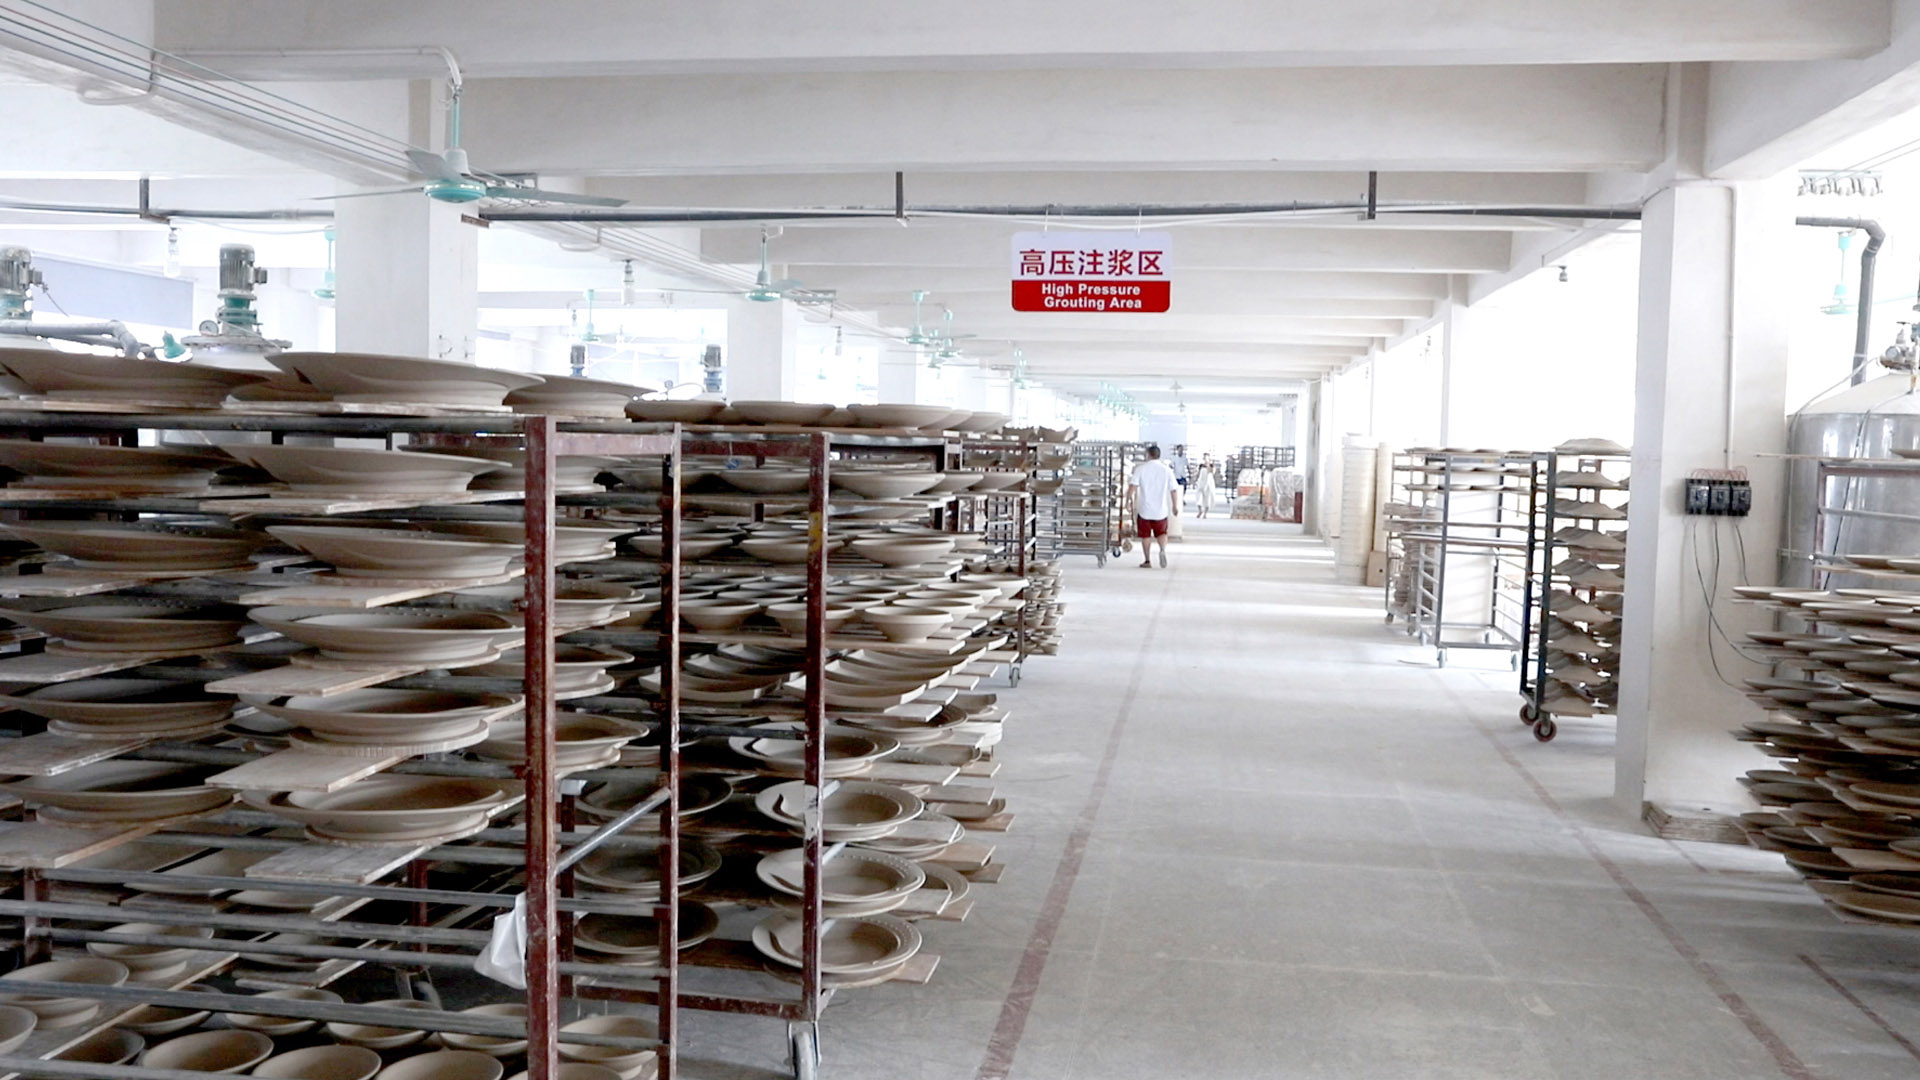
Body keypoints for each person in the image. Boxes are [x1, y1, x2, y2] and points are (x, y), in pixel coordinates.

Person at [1128, 445, 1180, 569]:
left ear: (1148, 455)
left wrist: (1127, 502)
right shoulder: (1166, 470)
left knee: (1145, 536)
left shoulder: (1140, 469)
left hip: (1145, 509)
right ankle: (1162, 549)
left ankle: (1147, 560)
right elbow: (1174, 490)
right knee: (1162, 533)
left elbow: (1132, 487)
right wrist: (1175, 506)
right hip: (1161, 510)